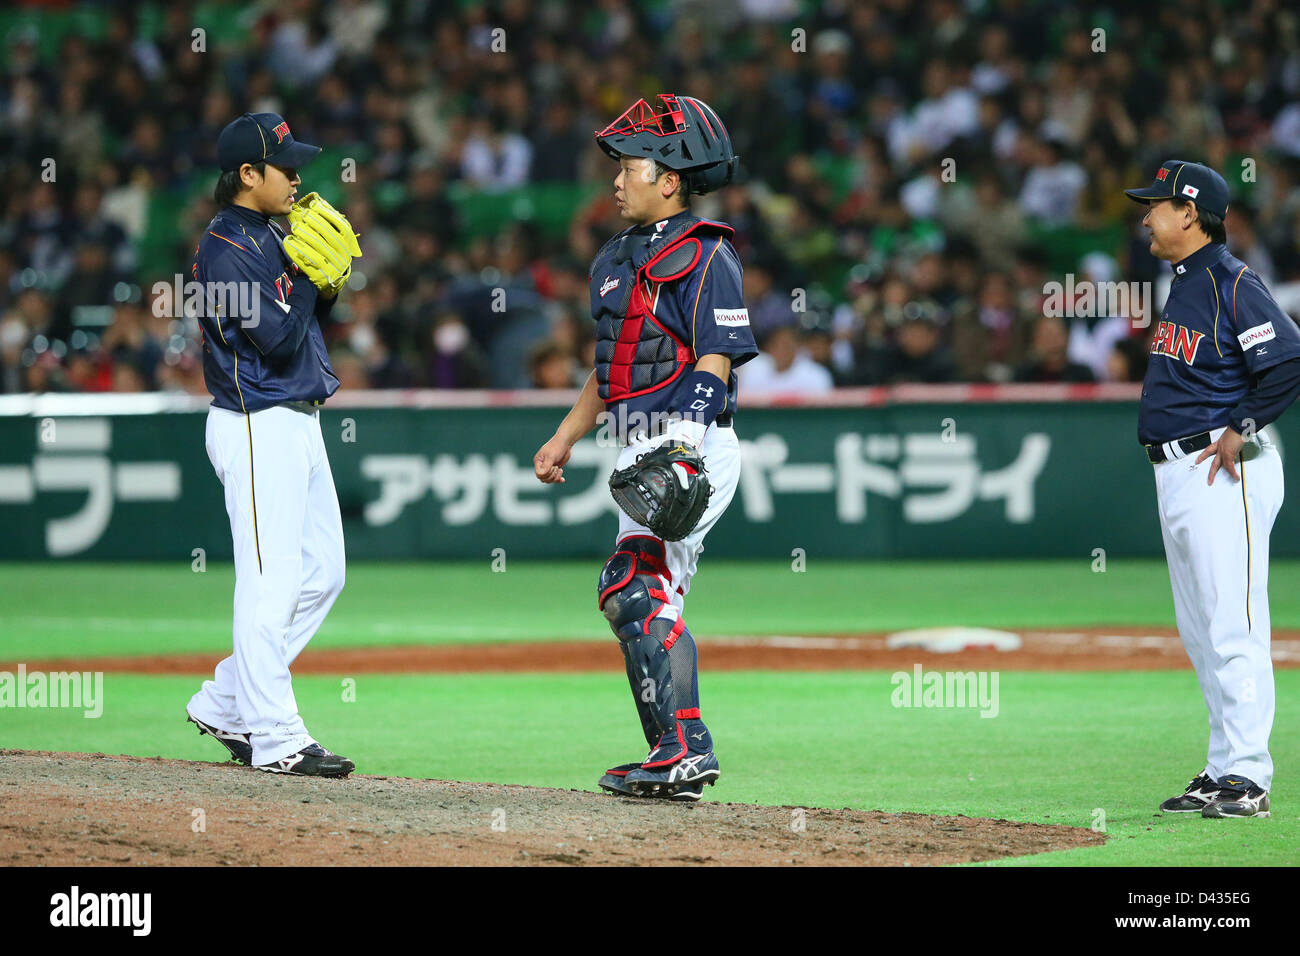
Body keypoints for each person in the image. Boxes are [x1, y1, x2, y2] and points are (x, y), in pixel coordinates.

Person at [533, 94, 755, 801]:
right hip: (635, 450)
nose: (617, 179)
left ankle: (684, 749)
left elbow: (716, 359)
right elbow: (614, 368)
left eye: (629, 166)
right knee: (631, 596)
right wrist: (566, 436)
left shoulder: (708, 251)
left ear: (669, 178)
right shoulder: (614, 256)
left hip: (689, 444)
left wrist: (683, 440)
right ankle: (672, 755)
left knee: (637, 587)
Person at [185, 112, 359, 778]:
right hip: (256, 422)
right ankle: (278, 736)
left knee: (323, 574)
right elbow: (277, 338)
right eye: (284, 167)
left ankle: (228, 701)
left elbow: (304, 323)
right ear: (247, 175)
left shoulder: (266, 232)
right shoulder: (227, 246)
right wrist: (317, 281)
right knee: (271, 582)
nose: (297, 177)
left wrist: (325, 286)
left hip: (294, 419)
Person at [1125, 159, 1300, 818]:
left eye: (1157, 204)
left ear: (1189, 213)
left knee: (1233, 625)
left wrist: (1242, 427)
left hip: (1228, 466)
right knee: (1201, 632)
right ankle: (1223, 766)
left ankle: (1248, 777)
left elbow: (1287, 360)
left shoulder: (1231, 280)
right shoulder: (1188, 282)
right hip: (1182, 470)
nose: (1147, 215)